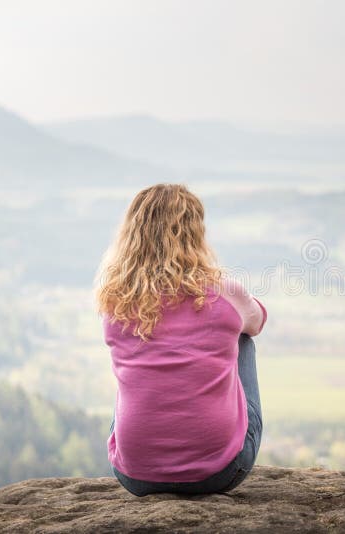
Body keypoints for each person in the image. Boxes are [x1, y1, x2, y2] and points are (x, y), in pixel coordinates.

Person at [93, 183, 267, 496]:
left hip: (136, 475)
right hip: (220, 471)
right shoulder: (222, 291)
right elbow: (257, 321)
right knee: (242, 340)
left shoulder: (114, 302)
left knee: (136, 372)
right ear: (195, 233)